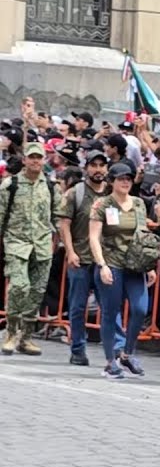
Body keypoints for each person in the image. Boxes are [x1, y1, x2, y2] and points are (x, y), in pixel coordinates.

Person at [88, 163, 157, 379]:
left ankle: (126, 354)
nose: (125, 182)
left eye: (128, 178)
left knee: (140, 308)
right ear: (112, 182)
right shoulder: (103, 204)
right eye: (121, 179)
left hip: (135, 265)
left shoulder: (138, 204)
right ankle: (110, 361)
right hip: (113, 262)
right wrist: (102, 265)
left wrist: (150, 266)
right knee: (110, 312)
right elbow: (93, 237)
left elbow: (144, 235)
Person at [55, 150, 117, 365]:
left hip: (105, 261)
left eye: (102, 165)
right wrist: (70, 252)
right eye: (94, 165)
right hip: (80, 258)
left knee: (109, 306)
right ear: (86, 168)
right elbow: (64, 224)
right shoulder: (76, 193)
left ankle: (117, 349)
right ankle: (78, 349)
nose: (98, 169)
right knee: (78, 306)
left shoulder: (112, 193)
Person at [0, 143, 55, 356]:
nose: (35, 161)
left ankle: (27, 337)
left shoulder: (50, 186)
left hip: (42, 246)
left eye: (39, 157)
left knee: (37, 292)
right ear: (24, 160)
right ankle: (11, 332)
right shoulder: (10, 185)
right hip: (17, 244)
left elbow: (58, 215)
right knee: (19, 287)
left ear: (44, 160)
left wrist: (61, 242)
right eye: (31, 157)